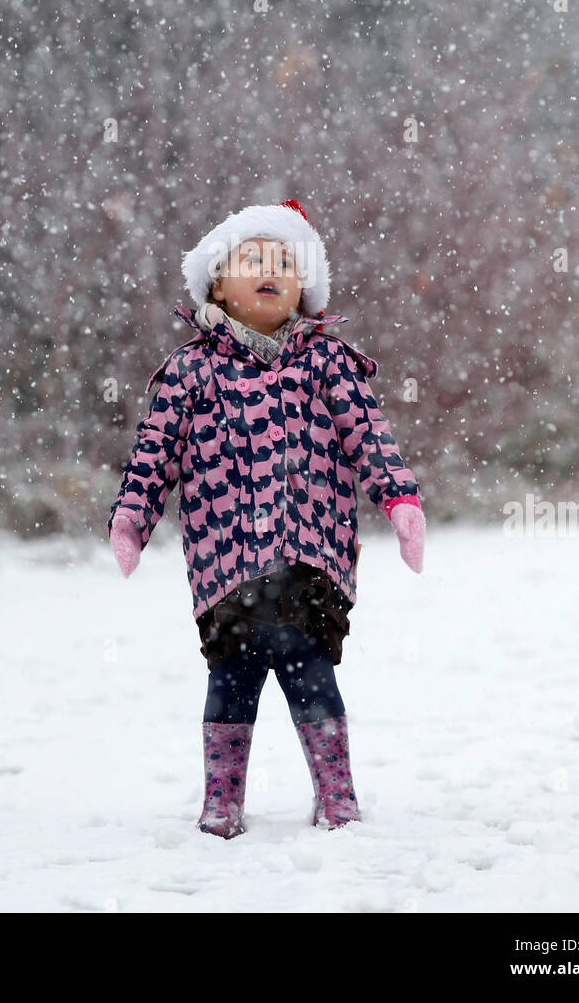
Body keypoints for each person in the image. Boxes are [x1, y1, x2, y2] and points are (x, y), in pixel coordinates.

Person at [107, 198, 425, 837]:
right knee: (232, 677)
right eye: (251, 259)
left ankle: (337, 795)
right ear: (218, 285)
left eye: (284, 259)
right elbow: (155, 453)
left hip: (310, 554)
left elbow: (368, 434)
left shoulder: (327, 363)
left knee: (310, 670)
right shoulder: (190, 371)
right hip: (225, 560)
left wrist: (400, 500)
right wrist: (132, 518)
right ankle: (221, 801)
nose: (269, 269)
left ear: (303, 285)